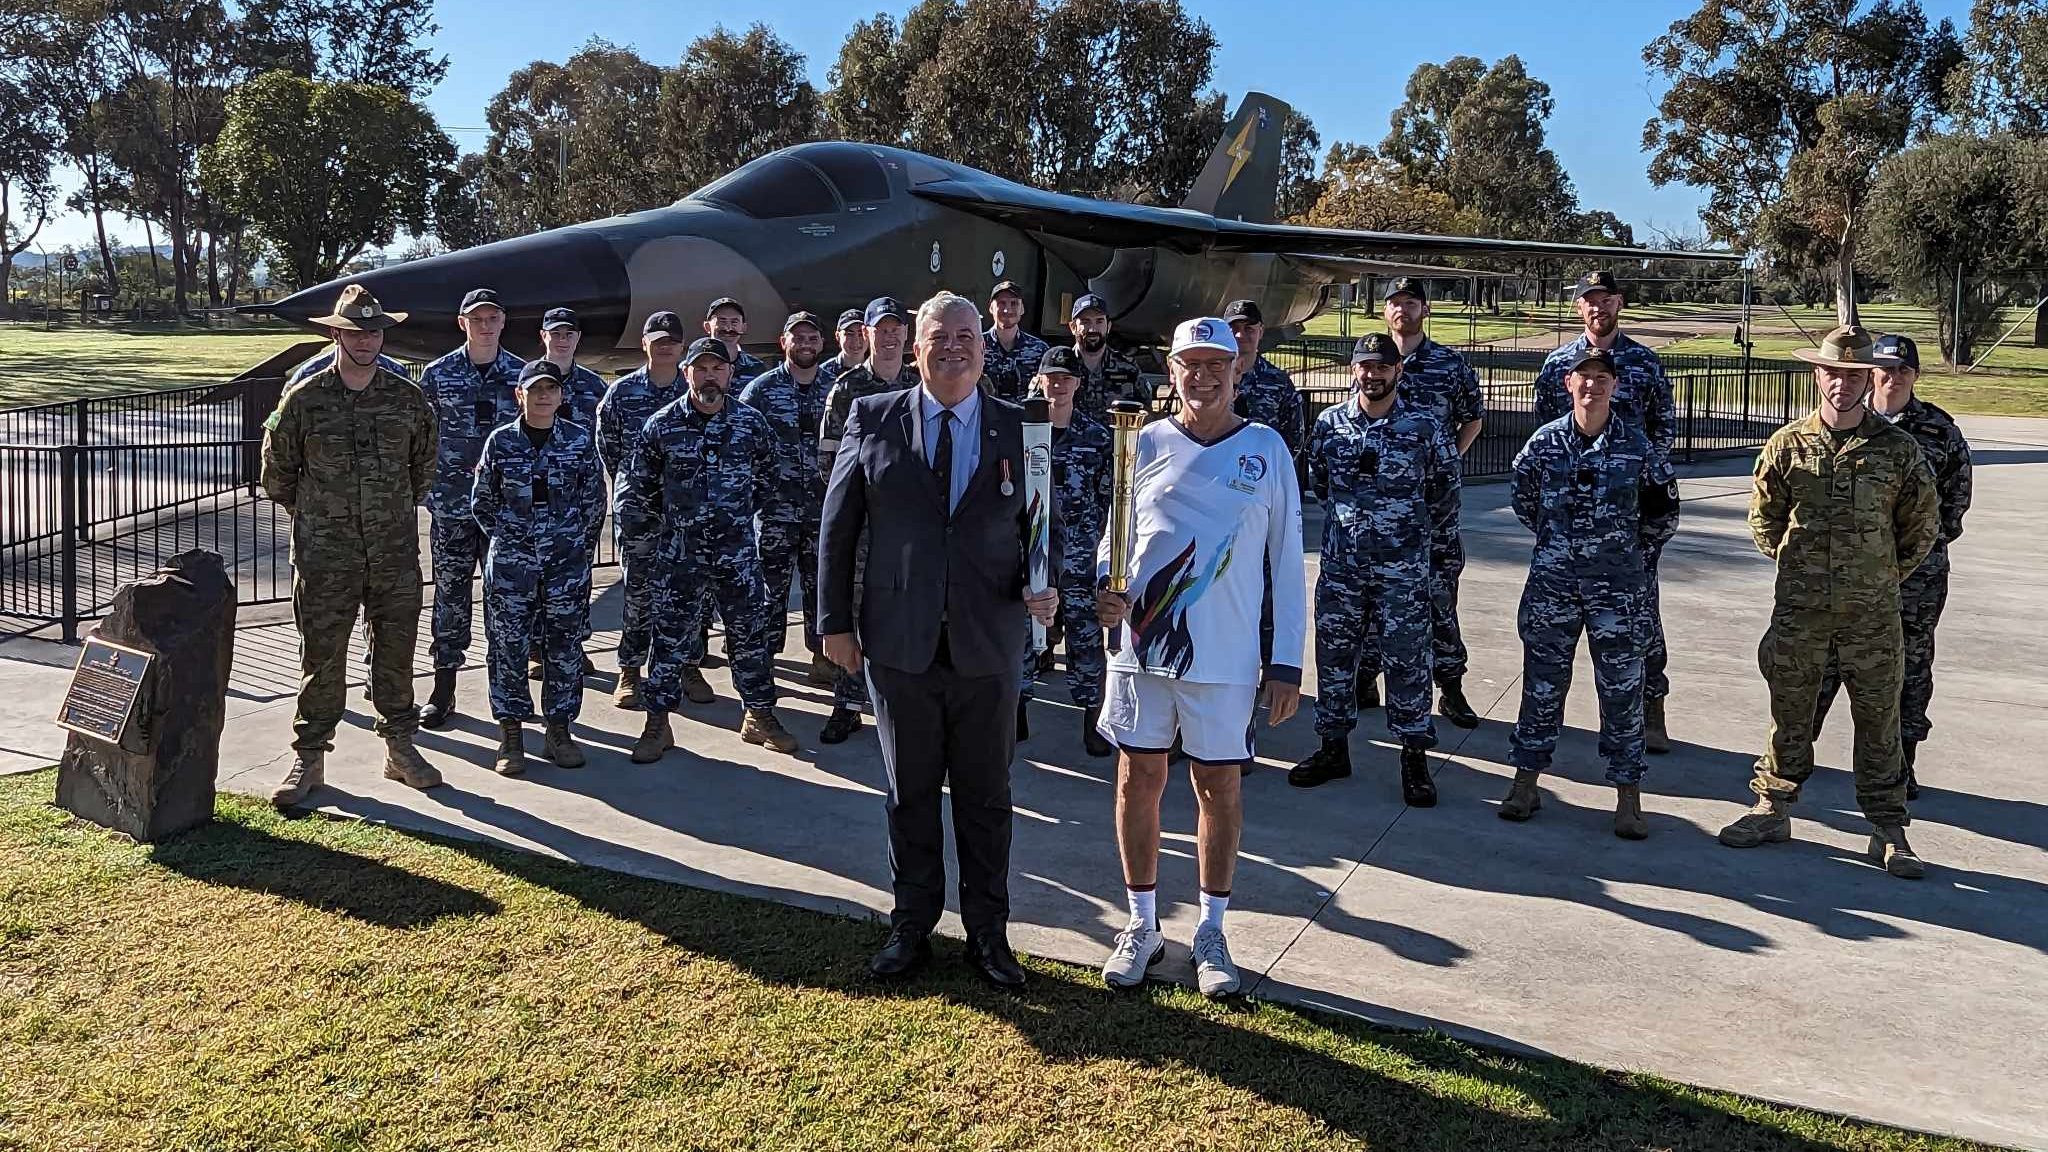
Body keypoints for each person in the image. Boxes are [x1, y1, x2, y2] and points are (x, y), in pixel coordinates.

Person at [818, 291, 1058, 988]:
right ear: (914, 348)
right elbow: (838, 525)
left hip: (989, 641)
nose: (953, 347)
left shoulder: (1020, 425)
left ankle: (988, 934)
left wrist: (1047, 588)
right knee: (910, 794)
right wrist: (833, 622)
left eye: (965, 335)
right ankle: (911, 926)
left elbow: (1044, 524)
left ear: (983, 347)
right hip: (900, 643)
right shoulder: (872, 416)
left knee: (986, 798)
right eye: (939, 336)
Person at [1094, 317, 1306, 998]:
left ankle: (1211, 930)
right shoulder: (1145, 440)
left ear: (1238, 369)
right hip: (1141, 648)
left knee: (1219, 787)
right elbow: (1117, 536)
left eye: (1218, 363)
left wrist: (1286, 661)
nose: (1205, 376)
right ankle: (1142, 924)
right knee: (1138, 780)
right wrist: (1106, 588)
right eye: (1192, 363)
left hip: (1226, 655)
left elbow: (1287, 560)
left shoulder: (1266, 448)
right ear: (1172, 369)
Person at [1719, 325, 1940, 879]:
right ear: (1817, 375)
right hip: (1801, 613)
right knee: (1789, 714)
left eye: (1853, 375)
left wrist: (1878, 577)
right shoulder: (1788, 444)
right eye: (1832, 373)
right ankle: (1772, 808)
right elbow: (1764, 518)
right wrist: (1801, 571)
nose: (1841, 384)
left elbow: (1921, 527)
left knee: (1879, 720)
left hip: (1872, 618)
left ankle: (1889, 830)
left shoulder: (1898, 450)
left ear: (1867, 380)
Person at [261, 284, 441, 804]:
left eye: (374, 332)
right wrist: (320, 516)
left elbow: (423, 468)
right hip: (326, 553)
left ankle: (400, 748)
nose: (366, 341)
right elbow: (277, 473)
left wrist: (386, 511)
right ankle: (309, 756)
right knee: (322, 656)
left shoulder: (407, 399)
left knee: (396, 653)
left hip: (393, 551)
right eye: (355, 332)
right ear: (336, 335)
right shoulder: (304, 399)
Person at [1498, 348, 1674, 838]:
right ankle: (1526, 782)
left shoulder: (1637, 448)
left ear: (1614, 386)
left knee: (1622, 691)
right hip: (1553, 586)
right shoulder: (1544, 444)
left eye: (1602, 378)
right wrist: (1561, 547)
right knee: (1541, 685)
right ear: (1568, 384)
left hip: (1617, 592)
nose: (1592, 385)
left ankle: (1628, 795)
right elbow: (1524, 501)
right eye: (1584, 377)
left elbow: (1662, 516)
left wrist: (1623, 557)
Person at [1290, 334, 1449, 805]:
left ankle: (1414, 756)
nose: (1372, 374)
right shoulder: (1330, 424)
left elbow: (1444, 492)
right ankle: (1332, 747)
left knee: (1407, 660)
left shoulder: (1423, 426)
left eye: (1382, 366)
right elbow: (1320, 483)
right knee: (1335, 657)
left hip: (1402, 571)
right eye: (1365, 366)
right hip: (1343, 568)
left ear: (1398, 370)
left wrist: (1405, 534)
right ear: (1353, 369)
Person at [1812, 333, 1972, 800]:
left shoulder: (1940, 431)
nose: (1893, 377)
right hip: (1844, 571)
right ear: (1869, 373)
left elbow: (1955, 503)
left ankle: (1902, 761)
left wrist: (1909, 552)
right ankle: (1796, 749)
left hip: (1915, 576)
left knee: (1909, 663)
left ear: (1915, 375)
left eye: (1903, 370)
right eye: (1885, 369)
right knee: (1824, 656)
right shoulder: (1845, 421)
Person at [621, 337, 796, 759]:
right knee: (669, 637)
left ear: (730, 374)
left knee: (749, 635)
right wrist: (671, 526)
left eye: (717, 368)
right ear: (687, 374)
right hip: (681, 555)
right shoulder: (662, 425)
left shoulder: (750, 423)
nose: (709, 376)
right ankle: (657, 723)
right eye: (701, 369)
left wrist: (739, 513)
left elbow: (770, 474)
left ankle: (758, 714)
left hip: (737, 553)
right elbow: (640, 486)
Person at [1533, 271, 1681, 753]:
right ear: (1579, 307)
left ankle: (1651, 706)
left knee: (1642, 615)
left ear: (1619, 303)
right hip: (1570, 521)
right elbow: (1545, 438)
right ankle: (1545, 723)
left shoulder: (1644, 362)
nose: (1598, 307)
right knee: (1555, 627)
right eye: (1589, 300)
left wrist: (1644, 489)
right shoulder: (1558, 364)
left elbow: (1662, 428)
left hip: (1627, 521)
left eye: (1606, 299)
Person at [1360, 276, 1485, 730]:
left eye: (1411, 302)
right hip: (1380, 510)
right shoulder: (1370, 361)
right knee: (1371, 598)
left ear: (1424, 310)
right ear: (1385, 311)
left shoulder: (1448, 364)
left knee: (1439, 599)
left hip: (1432, 512)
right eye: (1395, 302)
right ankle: (1365, 679)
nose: (1402, 310)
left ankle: (1450, 687)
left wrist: (1447, 462)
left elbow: (1473, 418)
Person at [471, 359, 606, 775]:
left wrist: (571, 545)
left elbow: (594, 503)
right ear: (520, 395)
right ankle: (511, 734)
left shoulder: (578, 441)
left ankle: (559, 730)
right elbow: (482, 502)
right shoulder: (500, 443)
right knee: (508, 648)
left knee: (564, 648)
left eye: (550, 389)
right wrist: (513, 539)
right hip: (512, 568)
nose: (543, 396)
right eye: (535, 389)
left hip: (566, 566)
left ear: (561, 396)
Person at [415, 288, 525, 729]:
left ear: (503, 322)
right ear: (462, 323)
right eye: (476, 319)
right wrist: (426, 490)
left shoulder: (520, 374)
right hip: (452, 506)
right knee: (450, 597)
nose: (485, 326)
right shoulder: (438, 374)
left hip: (503, 511)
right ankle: (443, 688)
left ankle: (508, 696)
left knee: (506, 600)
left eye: (492, 318)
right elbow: (420, 437)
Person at [814, 296, 921, 744]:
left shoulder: (921, 381)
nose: (891, 336)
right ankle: (847, 703)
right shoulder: (848, 388)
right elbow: (828, 459)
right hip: (863, 525)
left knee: (908, 609)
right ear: (867, 334)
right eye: (882, 329)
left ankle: (903, 701)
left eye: (897, 328)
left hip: (911, 526)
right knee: (856, 610)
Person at [1017, 346, 1115, 757]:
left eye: (1065, 378)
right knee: (1021, 635)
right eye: (1051, 377)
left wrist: (1099, 548)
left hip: (1079, 557)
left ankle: (1094, 718)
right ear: (1039, 380)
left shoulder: (1096, 437)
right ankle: (1016, 710)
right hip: (1029, 552)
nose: (1057, 385)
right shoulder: (1019, 429)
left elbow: (1109, 499)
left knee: (1085, 637)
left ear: (1077, 383)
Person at [594, 312, 690, 710]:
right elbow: (609, 448)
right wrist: (635, 486)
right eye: (658, 340)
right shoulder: (622, 392)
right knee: (638, 591)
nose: (665, 346)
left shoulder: (693, 390)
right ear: (644, 344)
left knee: (687, 593)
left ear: (682, 346)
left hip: (685, 508)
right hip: (638, 510)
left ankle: (686, 667)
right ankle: (630, 669)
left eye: (672, 340)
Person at [739, 312, 837, 686]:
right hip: (774, 512)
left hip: (822, 511)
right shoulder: (760, 391)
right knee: (769, 590)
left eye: (812, 338)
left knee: (820, 587)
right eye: (798, 338)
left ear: (822, 343)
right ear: (784, 343)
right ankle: (764, 657)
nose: (806, 344)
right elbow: (741, 444)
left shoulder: (835, 389)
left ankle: (821, 656)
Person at [1221, 299, 1306, 456]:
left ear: (1260, 332)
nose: (1240, 335)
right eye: (1234, 329)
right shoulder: (1212, 379)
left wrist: (1274, 466)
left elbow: (1294, 437)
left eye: (1249, 329)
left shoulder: (1278, 382)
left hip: (1263, 465)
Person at [1067, 293, 1146, 419]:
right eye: (1085, 322)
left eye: (1099, 321)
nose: (1092, 329)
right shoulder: (1061, 368)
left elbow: (1145, 413)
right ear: (1073, 327)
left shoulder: (1128, 368)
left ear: (1108, 327)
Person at [537, 307, 610, 430]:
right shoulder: (525, 380)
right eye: (556, 333)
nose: (563, 339)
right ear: (543, 335)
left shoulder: (596, 385)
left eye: (569, 334)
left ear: (578, 336)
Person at [982, 280, 1050, 402]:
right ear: (991, 308)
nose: (1007, 310)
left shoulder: (1039, 350)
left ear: (1022, 309)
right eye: (1001, 303)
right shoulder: (977, 346)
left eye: (1014, 304)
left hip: (1023, 413)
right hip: (986, 412)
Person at [705, 296, 770, 388]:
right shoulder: (694, 367)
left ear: (743, 328)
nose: (728, 328)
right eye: (722, 321)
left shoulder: (757, 368)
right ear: (707, 327)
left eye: (734, 322)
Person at [824, 308, 867, 380]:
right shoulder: (823, 372)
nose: (856, 340)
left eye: (861, 334)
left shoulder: (879, 370)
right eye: (849, 334)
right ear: (838, 336)